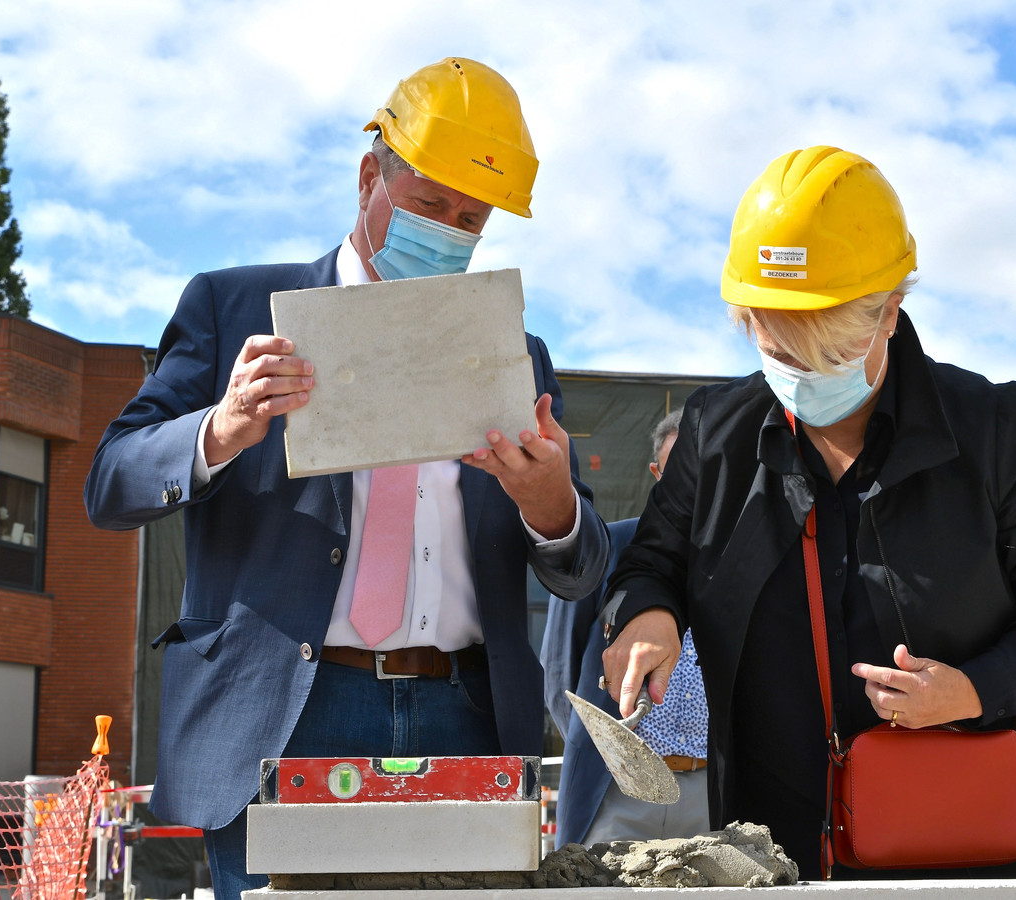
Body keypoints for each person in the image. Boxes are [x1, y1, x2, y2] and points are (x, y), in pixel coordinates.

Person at [84, 58, 609, 900]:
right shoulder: (234, 309)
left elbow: (580, 565)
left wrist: (549, 505)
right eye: (430, 204)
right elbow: (111, 481)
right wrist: (220, 429)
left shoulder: (515, 352)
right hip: (283, 715)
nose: (449, 229)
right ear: (370, 177)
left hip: (463, 717)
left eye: (470, 219)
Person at [598, 146, 1016, 880]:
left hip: (980, 851)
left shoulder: (997, 430)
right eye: (779, 351)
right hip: (780, 852)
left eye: (828, 355)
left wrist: (972, 690)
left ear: (890, 312)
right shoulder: (717, 434)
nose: (802, 381)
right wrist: (648, 615)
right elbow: (651, 565)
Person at [542, 410, 710, 847]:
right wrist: (607, 751)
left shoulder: (742, 564)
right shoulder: (608, 548)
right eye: (681, 472)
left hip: (713, 794)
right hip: (615, 791)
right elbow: (560, 678)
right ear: (657, 474)